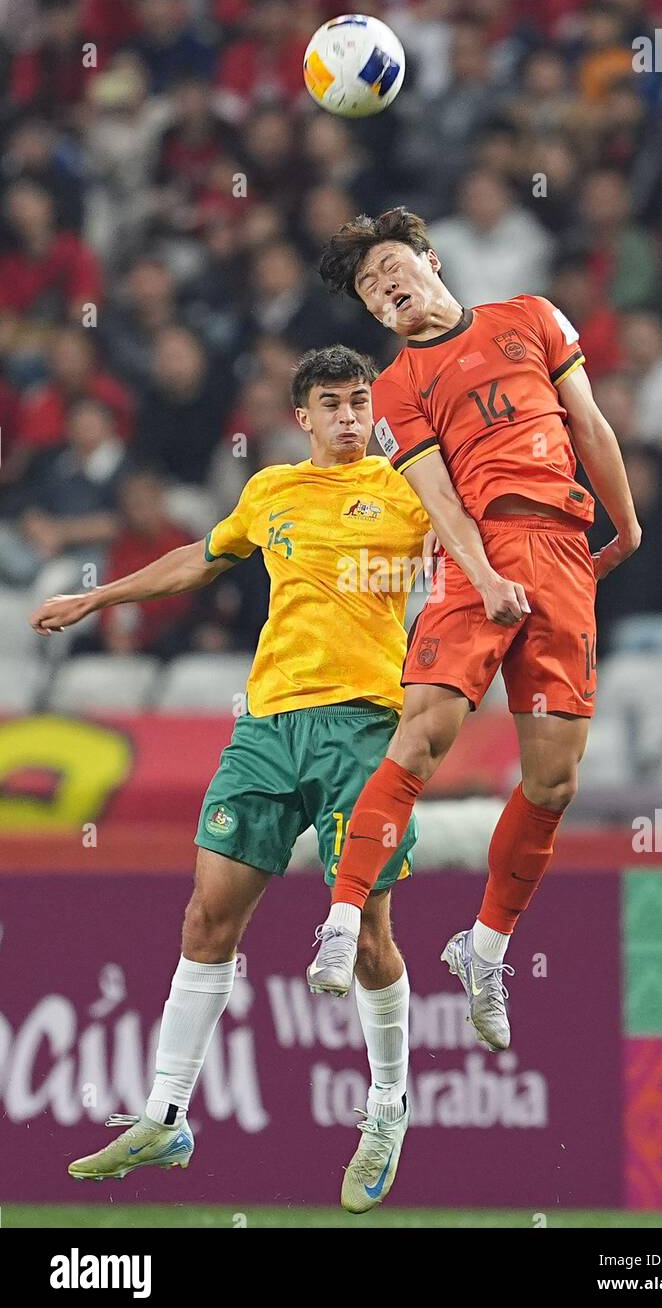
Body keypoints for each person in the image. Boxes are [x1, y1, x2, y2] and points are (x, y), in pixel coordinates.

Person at [30, 345, 432, 1213]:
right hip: (265, 727)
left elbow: (480, 534)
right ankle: (167, 1114)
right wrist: (98, 599)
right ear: (302, 416)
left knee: (367, 937)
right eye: (332, 403)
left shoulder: (409, 487)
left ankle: (390, 1106)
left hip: (364, 725)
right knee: (207, 917)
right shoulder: (271, 491)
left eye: (361, 401)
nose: (351, 416)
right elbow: (200, 559)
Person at [309, 206, 641, 1053]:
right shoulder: (395, 387)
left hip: (562, 550)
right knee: (424, 736)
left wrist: (628, 525)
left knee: (555, 781)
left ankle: (483, 948)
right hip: (475, 555)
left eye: (389, 268)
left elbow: (590, 425)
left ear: (429, 259)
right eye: (367, 289)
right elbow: (436, 498)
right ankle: (343, 917)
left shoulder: (531, 316)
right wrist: (486, 575)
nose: (383, 289)